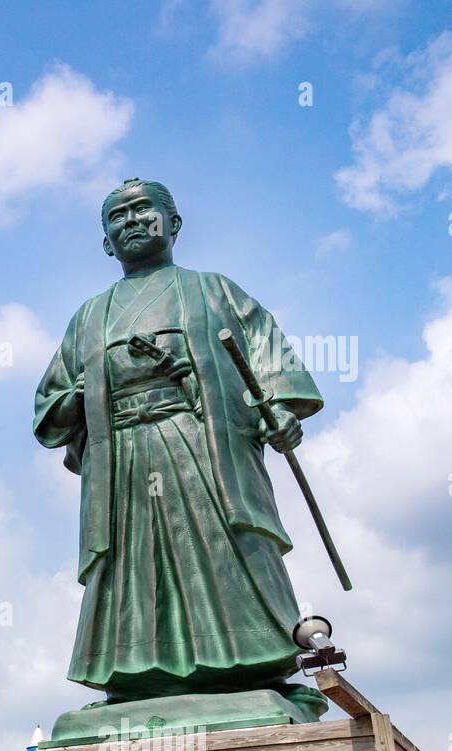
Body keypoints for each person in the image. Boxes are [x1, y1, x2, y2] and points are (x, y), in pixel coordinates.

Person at [34, 179, 324, 715]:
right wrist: (90, 389)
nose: (132, 221)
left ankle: (254, 661)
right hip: (122, 454)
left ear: (174, 224)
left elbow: (268, 359)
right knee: (132, 562)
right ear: (105, 242)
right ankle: (136, 676)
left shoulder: (215, 290)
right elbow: (49, 405)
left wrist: (280, 411)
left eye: (145, 209)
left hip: (202, 442)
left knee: (222, 547)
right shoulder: (89, 317)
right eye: (118, 217)